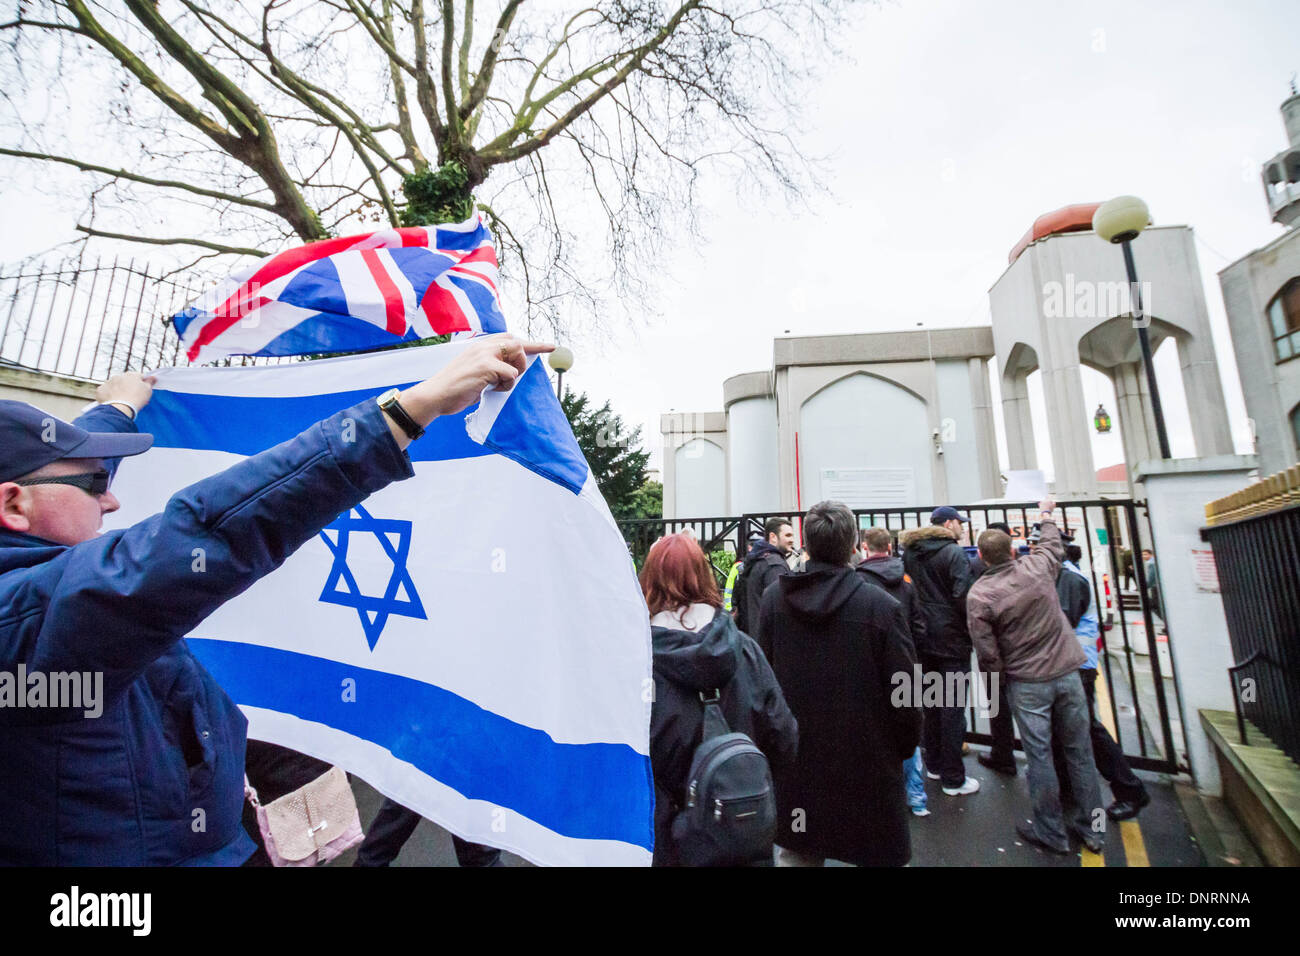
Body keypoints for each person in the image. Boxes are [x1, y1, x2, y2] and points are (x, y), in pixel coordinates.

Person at [0, 336, 552, 866]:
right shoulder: (23, 616)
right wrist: (408, 412)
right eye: (95, 484)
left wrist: (117, 408)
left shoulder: (39, 569)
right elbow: (212, 532)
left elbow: (61, 481)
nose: (113, 497)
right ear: (14, 505)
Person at [761, 502, 922, 866]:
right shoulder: (881, 607)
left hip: (800, 762)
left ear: (806, 544)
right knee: (875, 851)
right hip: (869, 764)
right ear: (853, 546)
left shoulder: (774, 601)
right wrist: (903, 746)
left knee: (799, 852)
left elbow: (764, 684)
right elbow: (906, 695)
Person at [642, 533, 798, 866]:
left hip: (666, 840)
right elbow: (784, 736)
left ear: (649, 581)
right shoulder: (745, 649)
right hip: (740, 829)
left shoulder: (634, 661)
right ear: (704, 575)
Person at [967, 498, 1105, 855]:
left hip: (1026, 681)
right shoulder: (1037, 568)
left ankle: (1051, 830)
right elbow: (1052, 543)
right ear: (1013, 550)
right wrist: (1046, 514)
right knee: (1080, 752)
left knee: (1039, 756)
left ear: (981, 558)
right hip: (1067, 672)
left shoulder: (980, 594)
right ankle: (1094, 829)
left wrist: (1000, 680)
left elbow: (986, 650)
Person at [1050, 545, 1150, 822]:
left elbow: (1062, 622)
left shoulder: (1068, 579)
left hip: (1076, 665)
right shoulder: (1065, 576)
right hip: (1071, 662)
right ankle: (1067, 786)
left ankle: (1130, 790)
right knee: (1065, 726)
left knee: (1086, 729)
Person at [901, 506, 979, 796]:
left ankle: (932, 765)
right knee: (953, 708)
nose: (962, 528)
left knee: (931, 705)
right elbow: (963, 596)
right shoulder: (953, 553)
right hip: (951, 638)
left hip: (922, 637)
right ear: (949, 523)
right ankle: (953, 778)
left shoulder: (911, 552)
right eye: (960, 523)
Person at [857, 525, 929, 817]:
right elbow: (919, 624)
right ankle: (917, 798)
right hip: (905, 665)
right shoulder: (907, 580)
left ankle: (882, 797)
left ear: (865, 547)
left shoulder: (858, 581)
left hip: (871, 668)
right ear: (889, 547)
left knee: (875, 732)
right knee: (909, 726)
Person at [971, 521, 1018, 776]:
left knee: (998, 706)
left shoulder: (977, 573)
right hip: (1026, 652)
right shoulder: (1027, 570)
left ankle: (1003, 754)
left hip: (995, 651)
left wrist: (991, 667)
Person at [735, 516, 794, 651]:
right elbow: (780, 608)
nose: (792, 540)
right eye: (788, 535)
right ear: (773, 537)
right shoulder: (775, 565)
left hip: (752, 641)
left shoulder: (755, 560)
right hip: (769, 644)